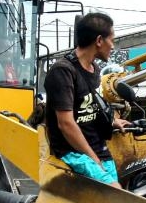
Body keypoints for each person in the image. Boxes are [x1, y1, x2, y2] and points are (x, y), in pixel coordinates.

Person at [43, 12, 130, 186]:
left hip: (99, 150)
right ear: (99, 41)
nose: (112, 46)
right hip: (73, 153)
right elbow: (66, 124)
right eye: (111, 40)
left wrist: (113, 121)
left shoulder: (94, 69)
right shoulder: (63, 71)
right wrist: (93, 159)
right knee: (116, 193)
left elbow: (90, 104)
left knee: (121, 193)